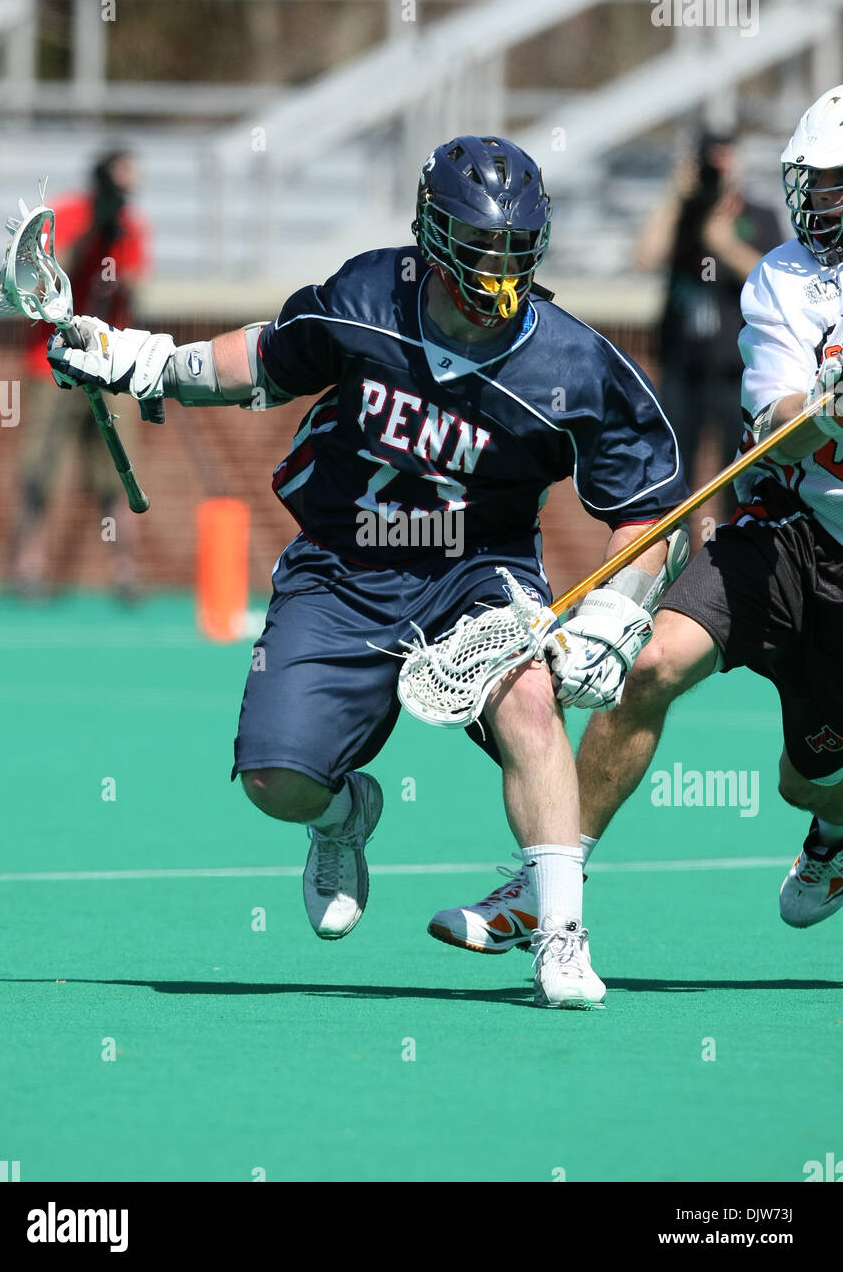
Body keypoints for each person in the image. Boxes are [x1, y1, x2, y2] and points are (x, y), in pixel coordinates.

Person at [46, 134, 688, 1008]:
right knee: (276, 783)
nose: (498, 266)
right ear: (431, 233)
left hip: (476, 568)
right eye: (480, 243)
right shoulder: (366, 297)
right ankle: (345, 815)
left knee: (532, 699)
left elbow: (650, 508)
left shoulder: (575, 364)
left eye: (514, 246)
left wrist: (619, 606)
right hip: (343, 562)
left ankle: (563, 937)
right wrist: (146, 362)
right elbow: (263, 363)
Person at [430, 87, 843, 953]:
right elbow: (775, 421)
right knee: (647, 664)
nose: (821, 202)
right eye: (818, 184)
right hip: (787, 527)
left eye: (835, 184)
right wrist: (829, 406)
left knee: (809, 783)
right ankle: (548, 883)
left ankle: (833, 832)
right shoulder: (788, 277)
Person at [9, 150, 150, 601]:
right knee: (40, 465)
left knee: (118, 465)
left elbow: (133, 286)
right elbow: (51, 277)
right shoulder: (70, 214)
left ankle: (125, 569)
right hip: (50, 360)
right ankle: (28, 565)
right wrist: (93, 236)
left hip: (110, 361)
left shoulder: (132, 227)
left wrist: (115, 245)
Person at [635, 131, 779, 507]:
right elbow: (646, 257)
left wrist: (725, 245)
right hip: (682, 367)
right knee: (673, 473)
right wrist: (675, 196)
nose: (718, 170)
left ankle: (732, 557)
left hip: (739, 371)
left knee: (740, 476)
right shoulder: (682, 214)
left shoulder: (758, 215)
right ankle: (675, 556)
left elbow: (774, 284)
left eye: (724, 161)